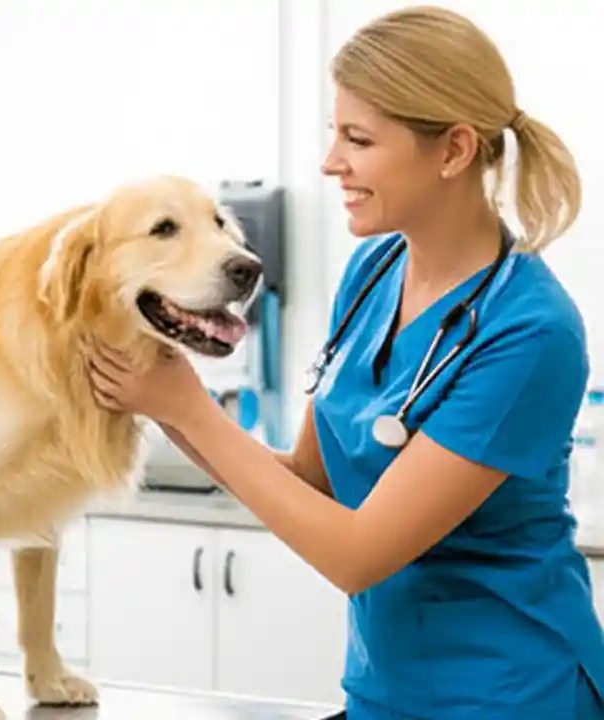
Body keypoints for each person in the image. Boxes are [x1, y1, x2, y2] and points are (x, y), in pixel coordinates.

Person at [87, 6, 603, 719]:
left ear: (453, 151)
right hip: (384, 694)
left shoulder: (531, 332)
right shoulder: (372, 271)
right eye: (335, 133)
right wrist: (156, 401)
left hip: (510, 695)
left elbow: (359, 553)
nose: (331, 162)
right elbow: (309, 483)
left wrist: (185, 408)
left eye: (357, 139)